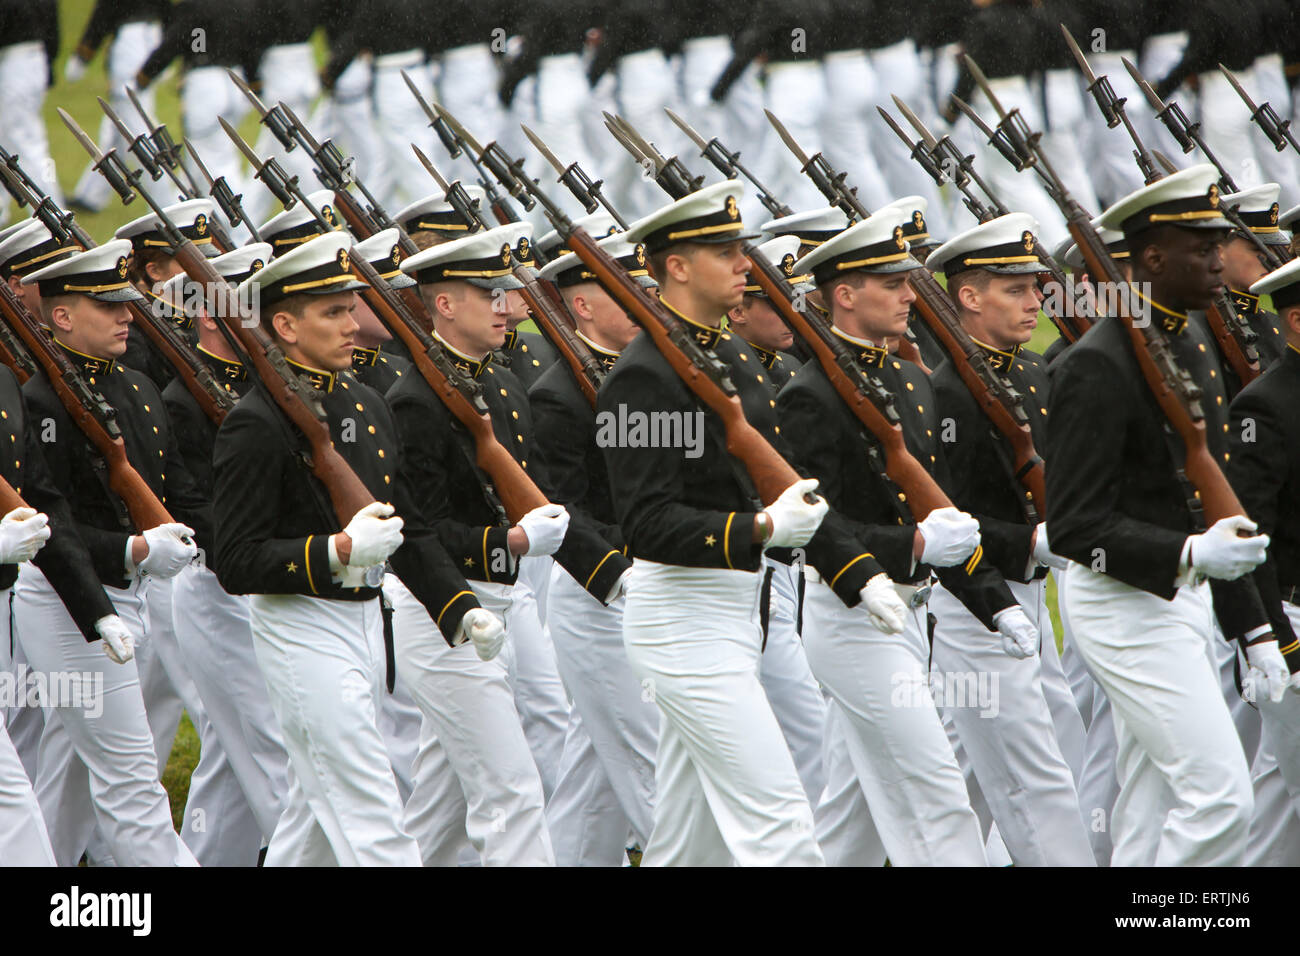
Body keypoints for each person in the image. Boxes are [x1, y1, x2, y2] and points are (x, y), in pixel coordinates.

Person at [602, 181, 897, 865]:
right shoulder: (642, 378)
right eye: (727, 250)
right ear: (676, 265)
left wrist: (856, 571)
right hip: (681, 623)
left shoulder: (732, 357)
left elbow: (784, 482)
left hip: (738, 613)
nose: (747, 263)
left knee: (690, 843)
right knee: (782, 825)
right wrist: (760, 531)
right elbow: (645, 524)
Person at [213, 230, 501, 865]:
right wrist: (335, 550)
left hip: (369, 623)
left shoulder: (367, 402)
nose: (352, 324)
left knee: (314, 823)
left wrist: (455, 604)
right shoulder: (256, 423)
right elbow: (234, 559)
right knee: (372, 816)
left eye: (350, 308)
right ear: (284, 325)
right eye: (333, 312)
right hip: (302, 627)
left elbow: (410, 528)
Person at [1048, 164, 1287, 866]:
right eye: (1201, 246)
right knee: (1220, 798)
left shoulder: (1189, 342)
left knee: (1153, 806)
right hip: (1121, 602)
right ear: (1150, 257)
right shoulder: (1097, 365)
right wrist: (1188, 555)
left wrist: (1254, 628)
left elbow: (1216, 502)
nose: (1220, 259)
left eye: (1220, 243)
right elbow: (1073, 530)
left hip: (1179, 598)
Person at [782, 209, 1032, 866]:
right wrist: (910, 551)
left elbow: (942, 512)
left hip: (913, 615)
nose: (908, 295)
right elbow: (819, 526)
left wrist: (992, 599)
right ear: (844, 294)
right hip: (852, 616)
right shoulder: (809, 393)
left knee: (852, 820)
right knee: (936, 793)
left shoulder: (913, 381)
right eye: (891, 283)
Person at [387, 222, 570, 865]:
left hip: (503, 604)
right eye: (486, 293)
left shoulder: (502, 383)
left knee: (438, 814)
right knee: (510, 791)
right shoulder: (413, 401)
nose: (506, 304)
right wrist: (512, 540)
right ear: (443, 304)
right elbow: (419, 532)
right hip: (444, 612)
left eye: (504, 291)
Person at [19, 240, 206, 866]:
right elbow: (53, 525)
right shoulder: (42, 403)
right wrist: (132, 546)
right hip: (72, 606)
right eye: (108, 306)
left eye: (126, 302)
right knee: (131, 778)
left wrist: (194, 536)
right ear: (62, 317)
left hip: (138, 594)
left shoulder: (136, 387)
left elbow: (176, 489)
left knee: (72, 777)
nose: (128, 314)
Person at [924, 213, 1095, 865]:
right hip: (974, 608)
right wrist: (1030, 543)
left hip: (1030, 601)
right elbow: (947, 522)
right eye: (1016, 290)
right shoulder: (942, 393)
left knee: (1028, 761)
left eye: (1036, 287)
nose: (1035, 302)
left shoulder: (1031, 374)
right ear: (969, 296)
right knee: (1036, 783)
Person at [158, 243, 292, 866]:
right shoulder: (180, 404)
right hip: (219, 587)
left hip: (267, 580)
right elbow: (195, 506)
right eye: (252, 308)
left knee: (229, 751)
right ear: (212, 315)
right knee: (268, 742)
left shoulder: (272, 385)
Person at [531, 227, 653, 864]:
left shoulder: (650, 374)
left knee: (593, 784)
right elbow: (562, 507)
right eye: (624, 292)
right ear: (581, 306)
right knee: (655, 770)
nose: (643, 300)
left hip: (651, 587)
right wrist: (624, 574)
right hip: (600, 590)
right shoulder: (556, 393)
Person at [1228, 256, 1300, 864]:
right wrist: (1276, 640)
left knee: (1278, 797)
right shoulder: (1266, 406)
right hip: (1294, 620)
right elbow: (1251, 542)